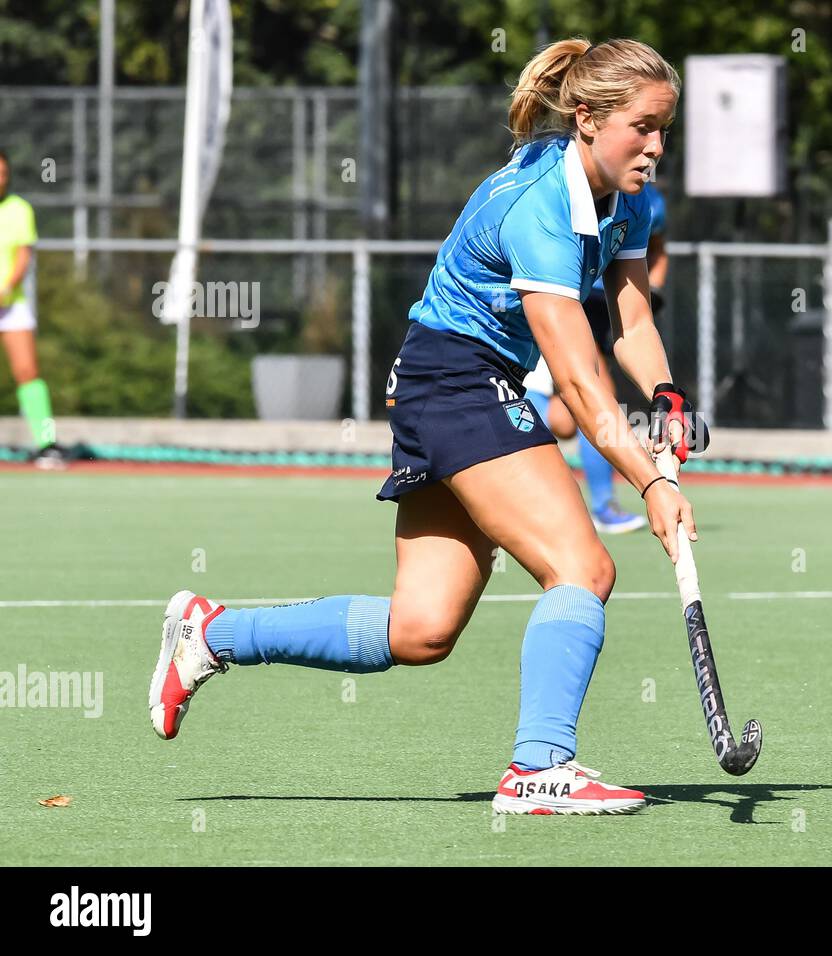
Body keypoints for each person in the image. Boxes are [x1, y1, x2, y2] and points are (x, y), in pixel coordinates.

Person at [147, 37, 708, 816]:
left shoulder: (634, 196)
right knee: (584, 566)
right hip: (453, 380)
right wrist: (649, 480)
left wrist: (667, 395)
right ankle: (539, 768)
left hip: (459, 383)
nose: (655, 146)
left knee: (420, 629)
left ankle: (212, 634)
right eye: (643, 126)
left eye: (665, 129)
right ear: (587, 116)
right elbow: (577, 378)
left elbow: (631, 309)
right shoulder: (539, 205)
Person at [523, 179, 669, 533]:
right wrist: (653, 484)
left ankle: (518, 409)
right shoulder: (559, 187)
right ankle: (604, 505)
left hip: (610, 305)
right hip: (569, 298)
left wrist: (655, 288)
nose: (653, 149)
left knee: (564, 419)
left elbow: (658, 247)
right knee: (599, 393)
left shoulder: (647, 200)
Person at [0, 149, 67, 469]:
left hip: (10, 307)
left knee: (28, 372)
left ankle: (47, 444)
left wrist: (7, 287)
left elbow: (23, 256)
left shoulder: (19, 209)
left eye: (2, 174)